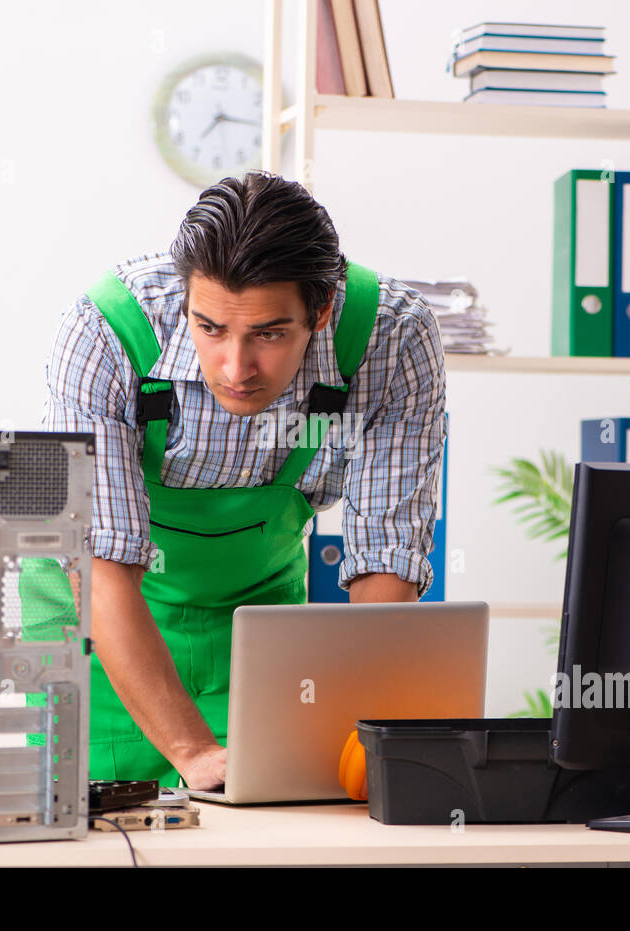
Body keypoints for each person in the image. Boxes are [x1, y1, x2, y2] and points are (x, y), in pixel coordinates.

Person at [41, 170, 446, 790]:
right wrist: (192, 750)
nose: (235, 368)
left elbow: (385, 559)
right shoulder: (108, 333)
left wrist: (362, 738)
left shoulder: (389, 339)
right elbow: (100, 571)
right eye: (211, 328)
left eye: (269, 334)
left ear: (321, 310)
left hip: (253, 626)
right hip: (94, 623)